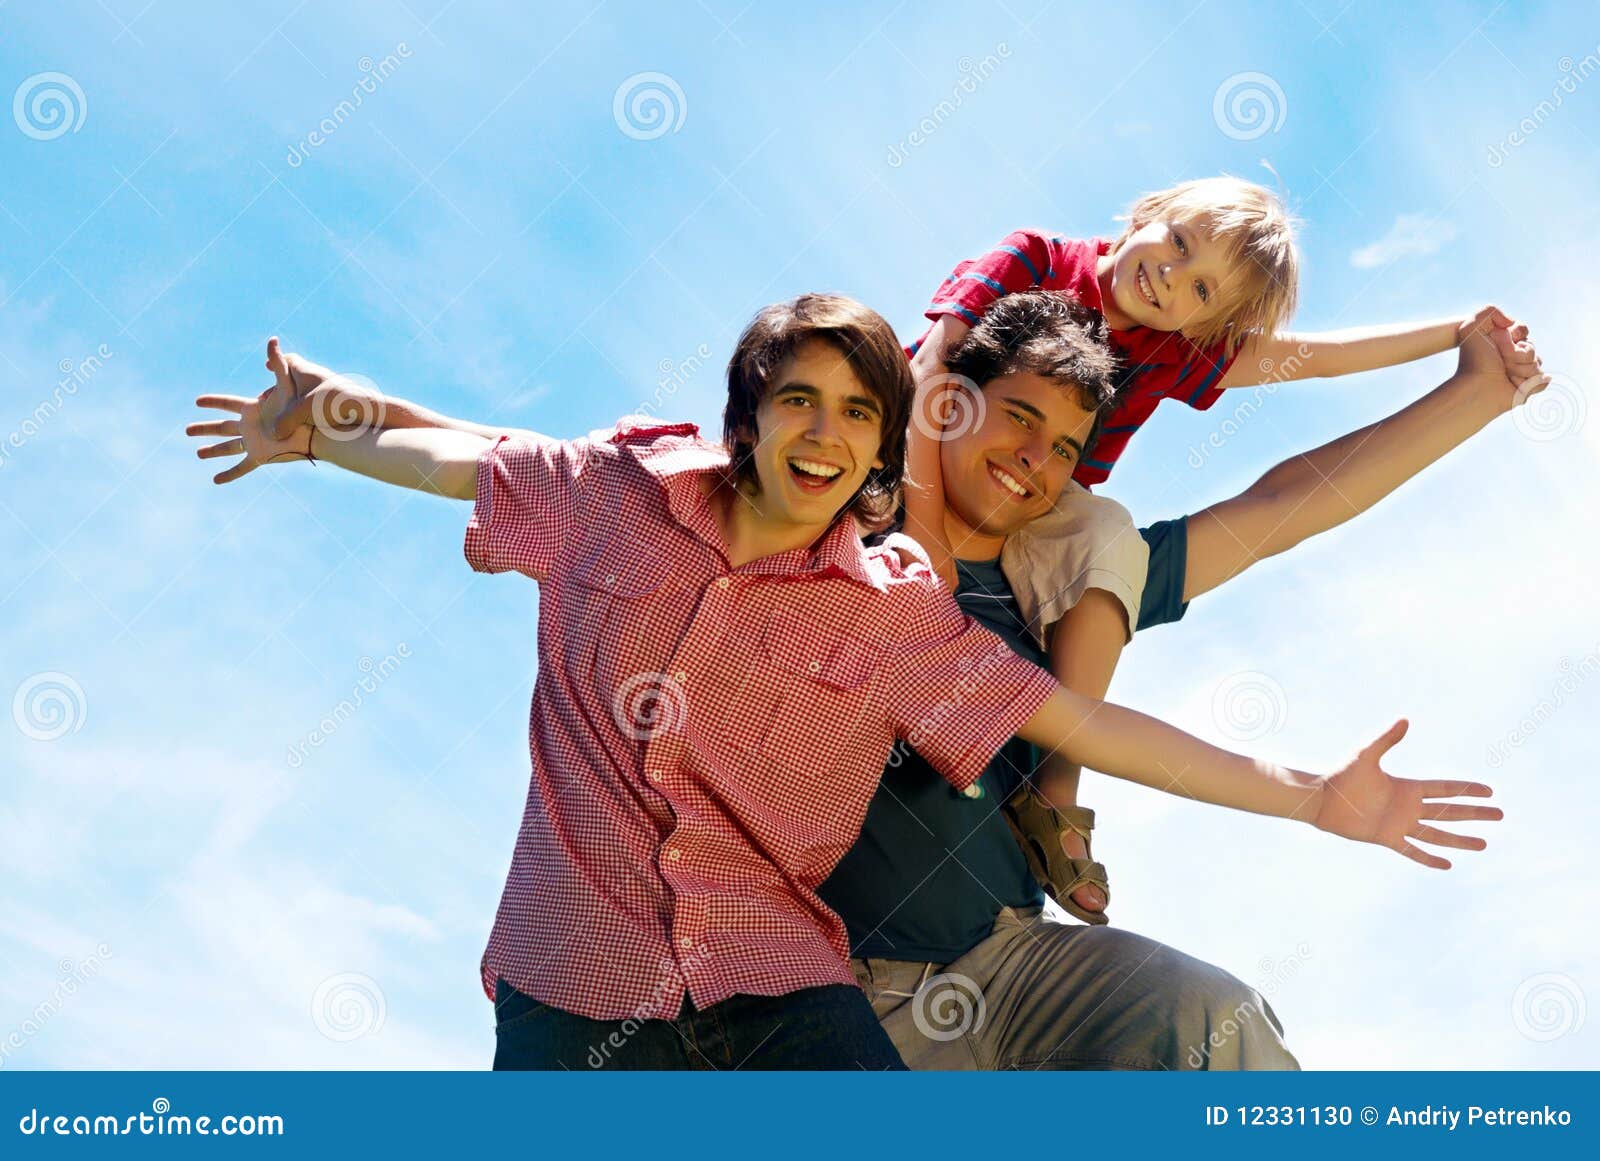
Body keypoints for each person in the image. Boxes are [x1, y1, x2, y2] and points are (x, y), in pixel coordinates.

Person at [189, 295, 1501, 1070]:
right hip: (700, 979)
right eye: (802, 402)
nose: (826, 434)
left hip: (897, 971)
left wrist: (1314, 793)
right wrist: (327, 423)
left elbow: (1137, 664)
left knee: (1189, 1030)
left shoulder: (967, 603)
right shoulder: (657, 507)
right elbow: (486, 462)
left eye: (1066, 448)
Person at [819, 291, 1544, 1069]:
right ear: (954, 405)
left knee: (1209, 1015)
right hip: (849, 987)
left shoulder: (1064, 598)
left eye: (1066, 447)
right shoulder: (843, 539)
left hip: (1018, 966)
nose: (1037, 459)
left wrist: (1479, 394)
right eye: (1021, 417)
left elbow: (1277, 508)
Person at [903, 177, 1515, 921]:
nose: (1170, 277)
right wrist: (922, 534)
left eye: (1200, 289)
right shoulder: (1036, 259)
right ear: (1147, 214)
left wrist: (1456, 338)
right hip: (909, 449)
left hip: (1054, 537)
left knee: (1108, 532)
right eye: (1180, 244)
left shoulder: (1165, 365)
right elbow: (930, 367)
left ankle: (1054, 797)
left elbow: (1307, 381)